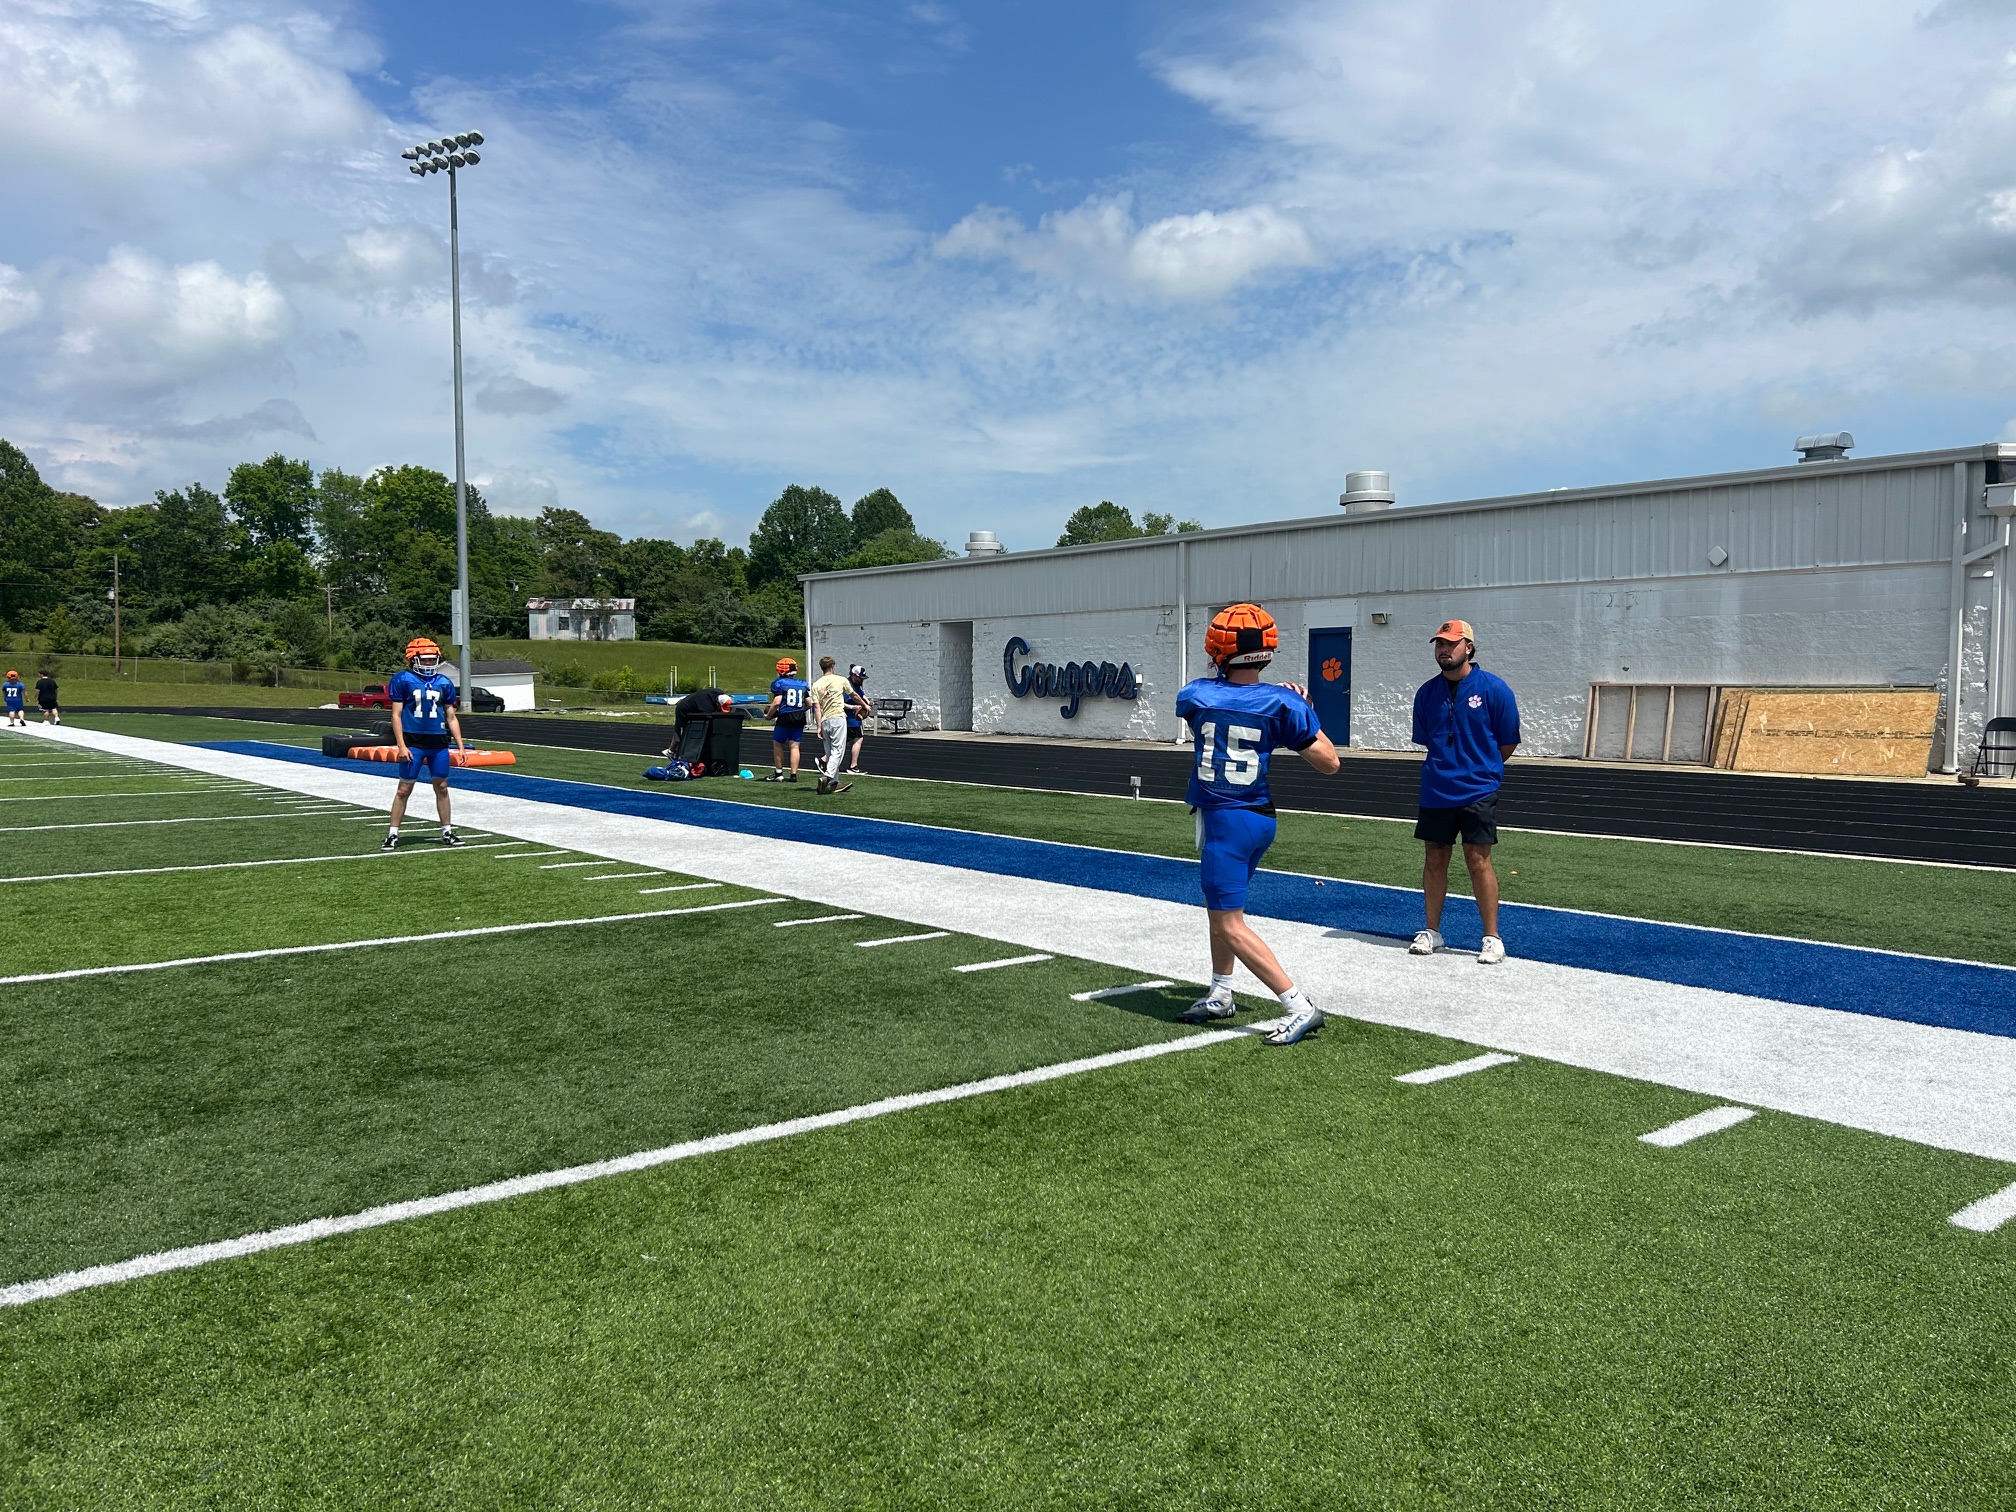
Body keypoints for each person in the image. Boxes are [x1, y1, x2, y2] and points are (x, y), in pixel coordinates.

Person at [1176, 603, 1339, 1046]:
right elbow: (1330, 763)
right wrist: (1304, 710)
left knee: (1229, 922)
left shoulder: (1196, 695)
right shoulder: (1282, 702)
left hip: (1226, 822)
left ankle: (1298, 1005)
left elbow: (1214, 700)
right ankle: (1221, 992)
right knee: (1221, 913)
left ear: (1217, 651)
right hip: (1260, 817)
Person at [1409, 619, 1520, 964]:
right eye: (1439, 644)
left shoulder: (1494, 689)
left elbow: (1507, 741)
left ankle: (1491, 937)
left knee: (1478, 860)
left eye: (1451, 644)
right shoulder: (1427, 692)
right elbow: (1428, 739)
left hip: (1477, 790)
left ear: (1468, 647)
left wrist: (1483, 770)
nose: (1443, 649)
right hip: (1437, 788)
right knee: (1435, 857)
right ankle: (1432, 931)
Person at [384, 637, 467, 850]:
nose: (429, 664)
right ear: (413, 659)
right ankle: (393, 834)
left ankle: (447, 831)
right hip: (413, 742)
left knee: (442, 786)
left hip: (438, 743)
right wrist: (401, 745)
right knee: (404, 788)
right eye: (426, 660)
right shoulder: (403, 679)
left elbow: (451, 717)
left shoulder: (443, 682)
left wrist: (460, 745)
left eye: (432, 660)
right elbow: (396, 715)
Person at [808, 655, 854, 795]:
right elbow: (854, 695)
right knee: (838, 750)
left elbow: (816, 707)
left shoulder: (816, 685)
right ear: (833, 666)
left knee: (829, 752)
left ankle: (835, 783)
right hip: (837, 718)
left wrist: (819, 726)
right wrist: (864, 705)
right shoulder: (840, 680)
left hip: (825, 720)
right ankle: (827, 777)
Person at [764, 658, 810, 781]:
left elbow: (776, 702)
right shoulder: (802, 684)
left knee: (778, 743)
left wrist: (769, 715)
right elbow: (809, 703)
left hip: (785, 717)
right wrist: (800, 710)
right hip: (799, 717)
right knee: (795, 746)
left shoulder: (779, 683)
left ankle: (779, 773)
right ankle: (793, 775)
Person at [843, 663, 872, 773]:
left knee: (843, 742)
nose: (862, 680)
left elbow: (860, 694)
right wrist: (854, 707)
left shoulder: (856, 684)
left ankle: (824, 759)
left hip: (853, 718)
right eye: (860, 677)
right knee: (858, 739)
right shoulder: (847, 685)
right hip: (850, 718)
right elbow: (841, 702)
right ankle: (853, 766)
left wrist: (867, 701)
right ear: (854, 675)